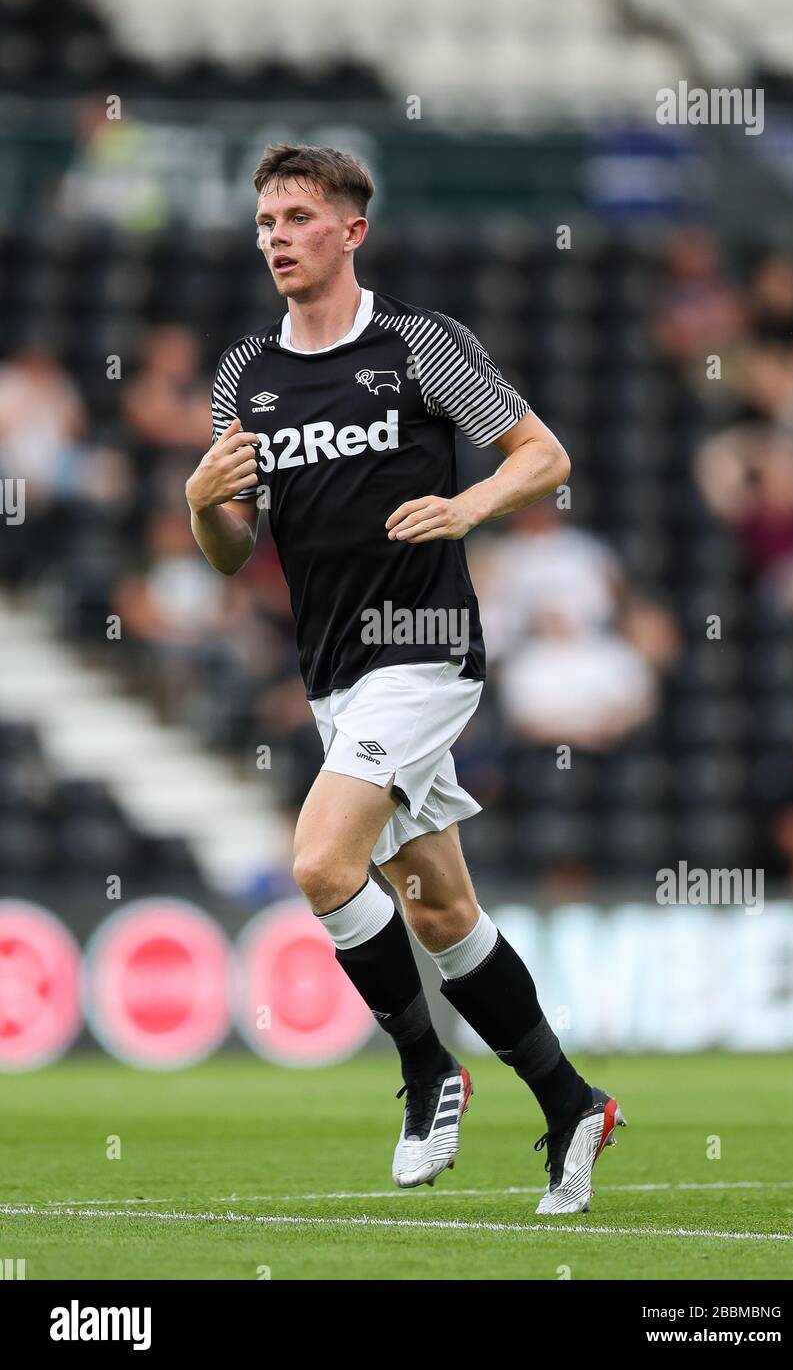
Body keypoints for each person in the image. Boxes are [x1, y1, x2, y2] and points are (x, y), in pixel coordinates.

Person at [185, 143, 626, 1215]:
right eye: (265, 221)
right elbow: (235, 551)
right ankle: (573, 1102)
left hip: (423, 644)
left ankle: (430, 1072)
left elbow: (544, 455)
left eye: (296, 216)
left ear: (351, 231)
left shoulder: (418, 345)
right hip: (334, 668)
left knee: (321, 861)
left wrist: (466, 507)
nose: (276, 236)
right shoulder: (245, 376)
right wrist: (202, 500)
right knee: (438, 909)